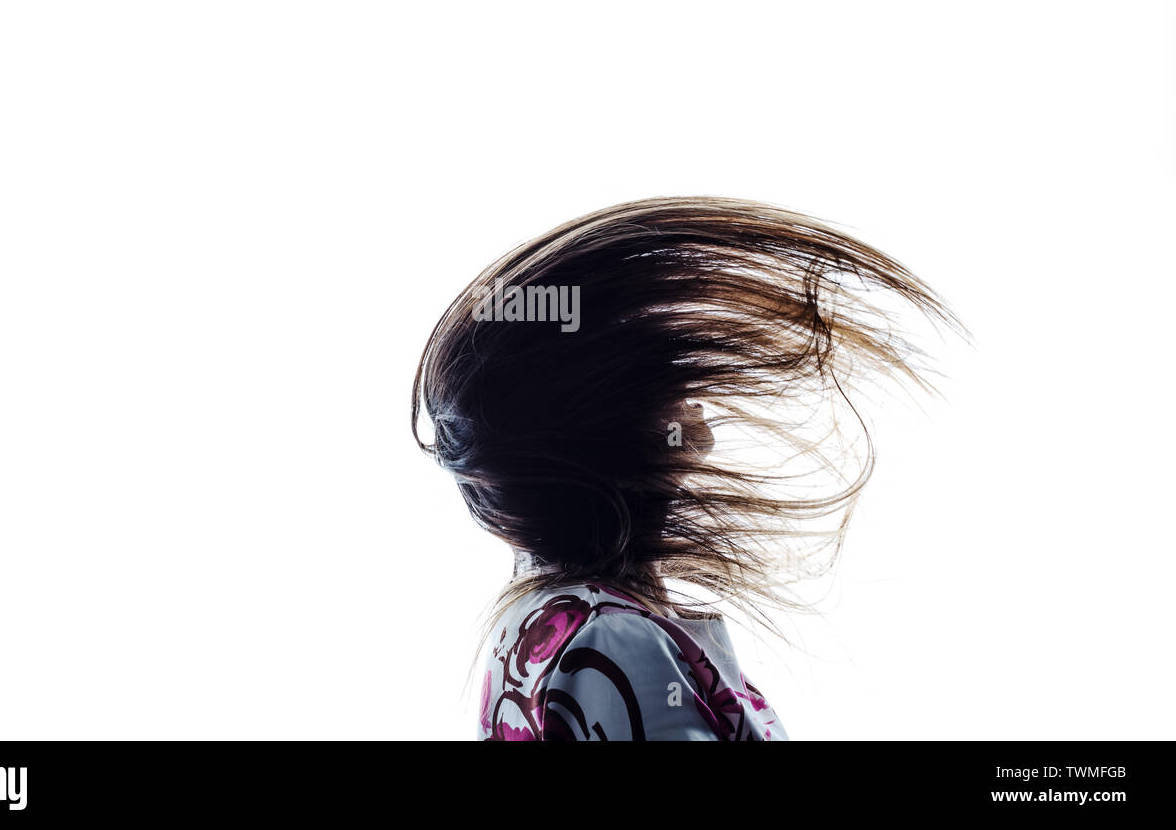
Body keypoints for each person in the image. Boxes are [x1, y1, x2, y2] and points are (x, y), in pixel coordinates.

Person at [411, 197, 962, 740]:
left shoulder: (538, 618)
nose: (692, 392)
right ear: (603, 422)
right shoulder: (615, 639)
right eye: (661, 371)